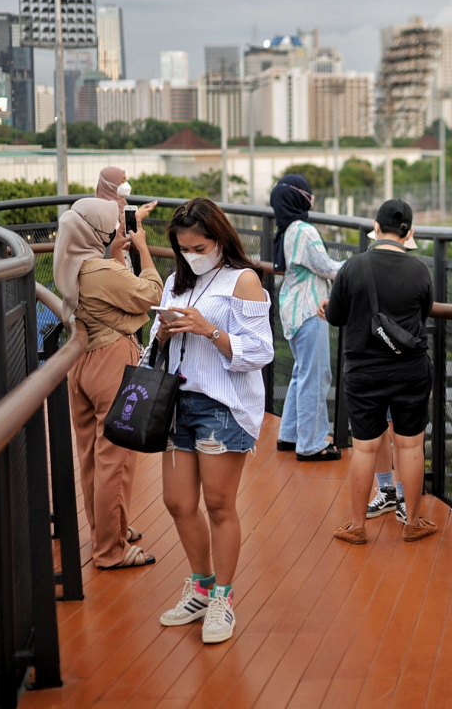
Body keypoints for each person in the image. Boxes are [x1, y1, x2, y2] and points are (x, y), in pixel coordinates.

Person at [152, 198, 274, 645]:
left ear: (220, 239)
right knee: (178, 502)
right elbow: (156, 341)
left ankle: (222, 595)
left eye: (198, 246)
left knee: (219, 505)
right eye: (183, 248)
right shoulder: (176, 281)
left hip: (221, 407)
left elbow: (261, 351)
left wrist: (210, 331)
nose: (190, 255)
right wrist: (162, 331)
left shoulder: (242, 281)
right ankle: (201, 587)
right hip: (176, 404)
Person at [54, 197, 162, 569]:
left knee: (90, 456)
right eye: (111, 223)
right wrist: (144, 251)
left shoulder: (69, 261)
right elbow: (150, 294)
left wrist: (115, 253)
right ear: (97, 230)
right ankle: (110, 550)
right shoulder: (99, 271)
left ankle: (107, 529)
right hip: (111, 363)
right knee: (115, 459)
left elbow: (111, 293)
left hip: (81, 363)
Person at [325, 199, 437, 544]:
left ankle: (357, 526)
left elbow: (336, 317)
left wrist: (328, 308)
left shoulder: (353, 267)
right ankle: (413, 522)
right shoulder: (420, 270)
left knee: (365, 448)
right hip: (410, 371)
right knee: (411, 445)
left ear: (375, 227)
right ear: (409, 233)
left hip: (363, 371)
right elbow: (424, 314)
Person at [271, 174, 345, 461]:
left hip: (292, 307)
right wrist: (358, 265)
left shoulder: (287, 229)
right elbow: (327, 268)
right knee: (316, 375)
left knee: (302, 372)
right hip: (310, 309)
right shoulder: (304, 230)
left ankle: (289, 435)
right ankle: (312, 444)